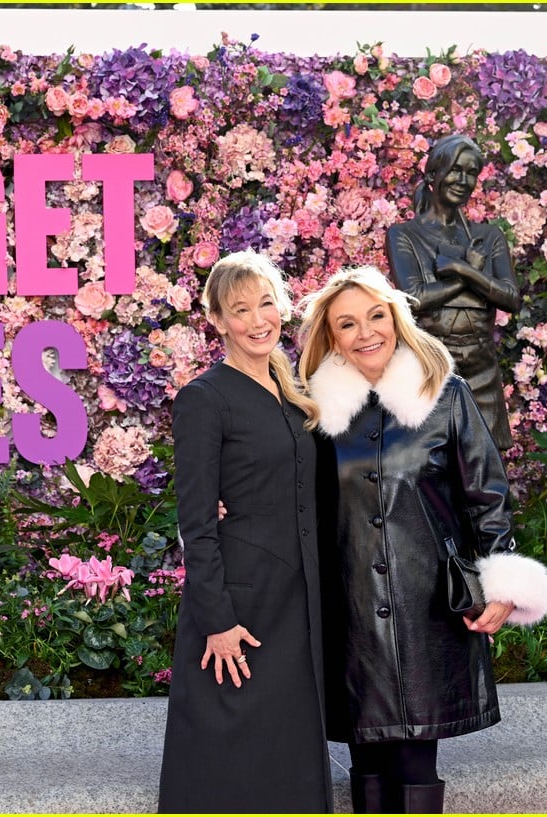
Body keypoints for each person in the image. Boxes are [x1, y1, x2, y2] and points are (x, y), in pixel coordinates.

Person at [297, 266, 547, 814]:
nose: (366, 332)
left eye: (376, 316)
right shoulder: (313, 412)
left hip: (427, 610)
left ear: (396, 318)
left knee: (415, 759)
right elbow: (284, 491)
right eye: (347, 323)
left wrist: (502, 582)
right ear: (331, 336)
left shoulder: (446, 396)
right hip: (348, 614)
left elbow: (487, 494)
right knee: (366, 757)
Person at [157, 250, 333, 814]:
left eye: (266, 304)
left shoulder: (293, 388)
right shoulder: (204, 399)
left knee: (289, 755)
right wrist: (217, 621)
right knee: (228, 762)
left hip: (295, 599)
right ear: (217, 320)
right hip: (240, 607)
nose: (258, 321)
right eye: (240, 310)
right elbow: (196, 522)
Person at [385, 134, 520, 450]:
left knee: (486, 470)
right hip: (429, 370)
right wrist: (472, 278)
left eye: (471, 173)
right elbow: (414, 298)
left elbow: (510, 298)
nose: (463, 180)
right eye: (456, 170)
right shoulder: (404, 235)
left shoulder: (489, 237)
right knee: (431, 468)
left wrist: (462, 269)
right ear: (433, 174)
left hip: (482, 369)